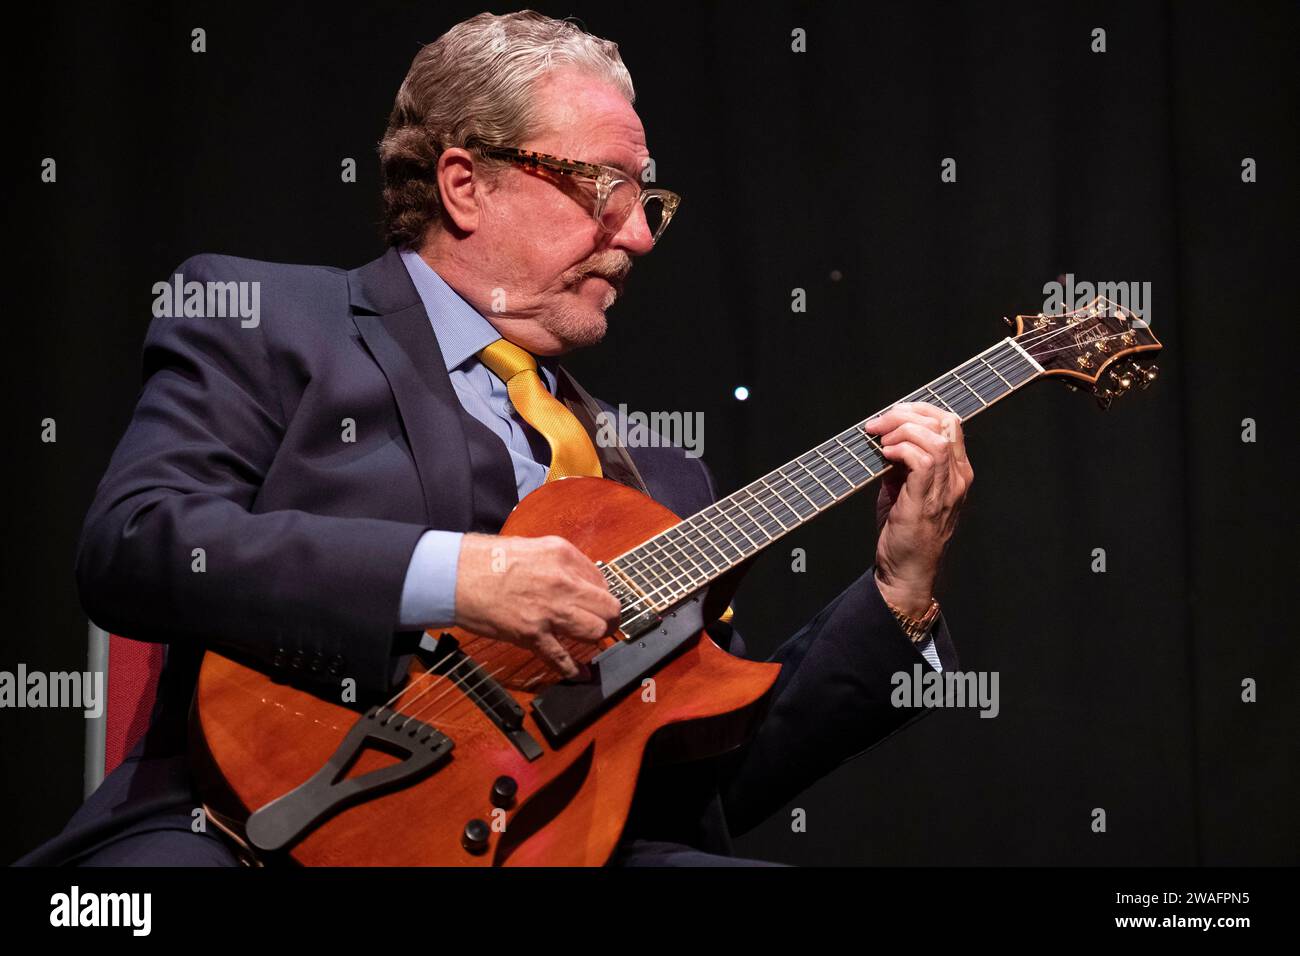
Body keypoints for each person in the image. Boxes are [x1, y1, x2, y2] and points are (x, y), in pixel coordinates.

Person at [17, 10, 971, 867]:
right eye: (605, 187)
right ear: (466, 185)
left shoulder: (664, 476)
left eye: (649, 201)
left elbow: (713, 785)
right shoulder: (268, 319)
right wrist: (455, 574)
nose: (638, 234)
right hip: (245, 829)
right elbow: (137, 543)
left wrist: (900, 592)